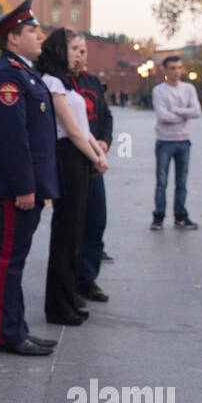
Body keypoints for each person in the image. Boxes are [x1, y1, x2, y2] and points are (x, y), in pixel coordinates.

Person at [0, 0, 61, 356]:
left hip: (25, 187)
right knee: (8, 262)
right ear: (13, 38)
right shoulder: (8, 77)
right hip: (15, 189)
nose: (39, 35)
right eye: (31, 31)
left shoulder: (23, 71)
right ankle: (7, 334)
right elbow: (13, 139)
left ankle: (18, 327)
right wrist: (25, 187)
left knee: (16, 261)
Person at [36, 29, 109, 325]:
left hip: (80, 158)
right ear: (58, 51)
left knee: (77, 233)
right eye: (72, 49)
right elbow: (72, 129)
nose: (78, 55)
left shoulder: (65, 81)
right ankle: (58, 306)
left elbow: (85, 128)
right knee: (65, 235)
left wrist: (98, 153)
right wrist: (95, 157)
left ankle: (69, 299)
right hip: (67, 158)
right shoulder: (52, 82)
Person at [68, 42, 113, 302]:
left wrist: (104, 141)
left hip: (96, 161)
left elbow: (106, 116)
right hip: (74, 162)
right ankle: (70, 279)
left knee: (96, 222)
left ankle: (87, 279)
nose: (80, 56)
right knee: (73, 225)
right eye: (74, 50)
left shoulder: (93, 82)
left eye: (83, 52)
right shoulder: (59, 84)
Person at [150, 56, 201, 230]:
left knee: (182, 182)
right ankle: (159, 216)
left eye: (179, 67)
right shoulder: (159, 91)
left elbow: (197, 111)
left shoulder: (189, 88)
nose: (176, 71)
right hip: (165, 141)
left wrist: (177, 111)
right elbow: (163, 116)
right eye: (172, 68)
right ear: (165, 70)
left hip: (184, 140)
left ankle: (180, 216)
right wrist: (184, 114)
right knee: (162, 182)